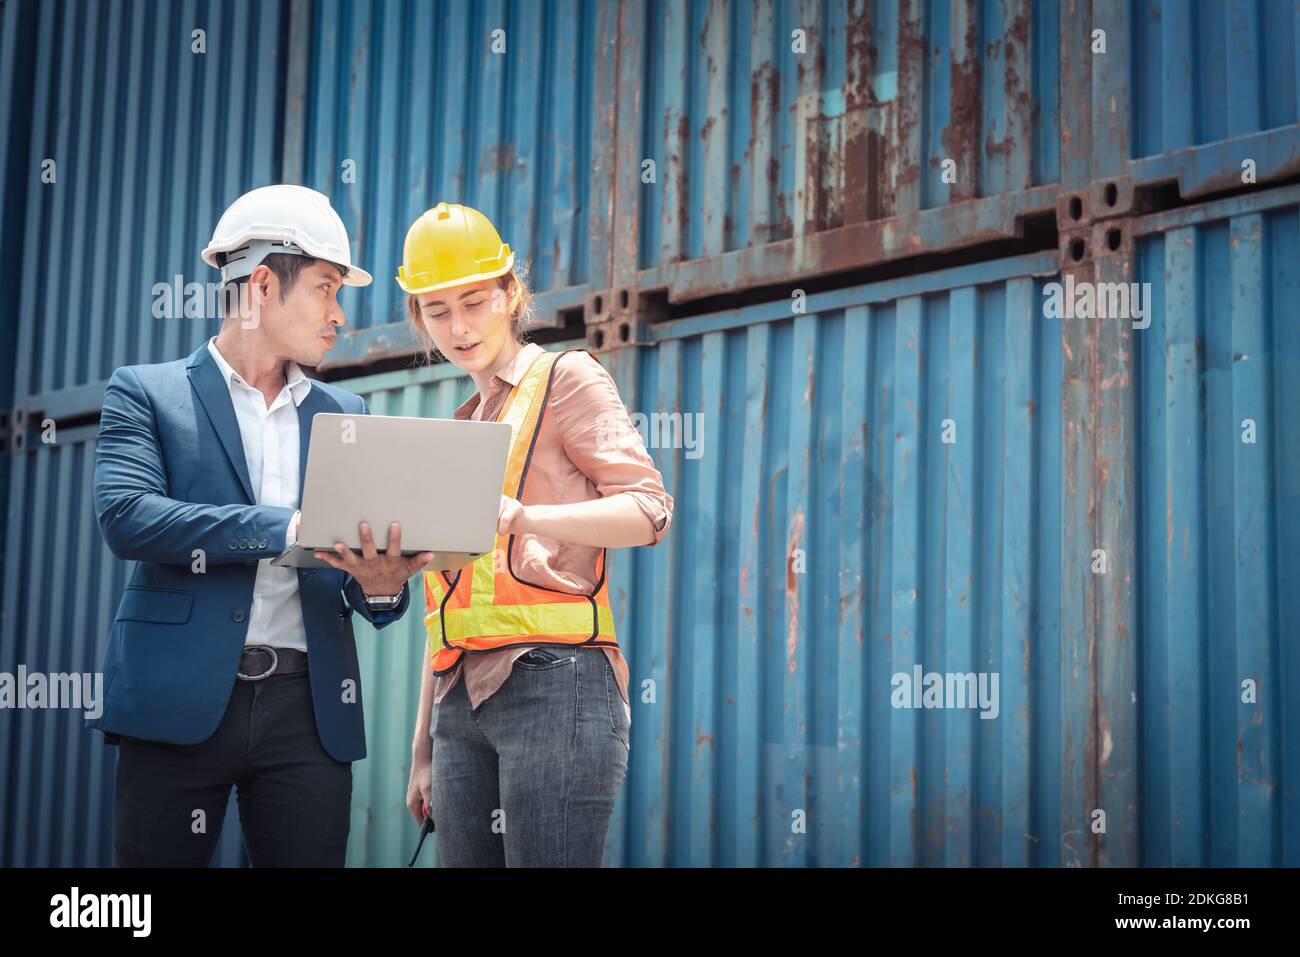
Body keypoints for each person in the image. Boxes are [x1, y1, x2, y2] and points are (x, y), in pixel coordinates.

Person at [88, 185, 431, 866]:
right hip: (176, 706)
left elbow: (361, 583)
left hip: (307, 715)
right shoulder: (146, 392)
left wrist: (385, 584)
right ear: (264, 285)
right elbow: (128, 517)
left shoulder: (346, 410)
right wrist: (284, 527)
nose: (339, 315)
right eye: (328, 288)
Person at [394, 202, 674, 866]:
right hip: (460, 704)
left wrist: (526, 517)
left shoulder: (567, 379)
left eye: (474, 301)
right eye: (437, 310)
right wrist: (423, 749)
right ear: (418, 317)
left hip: (557, 684)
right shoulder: (458, 428)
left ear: (510, 293)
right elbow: (447, 606)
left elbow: (649, 509)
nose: (458, 327)